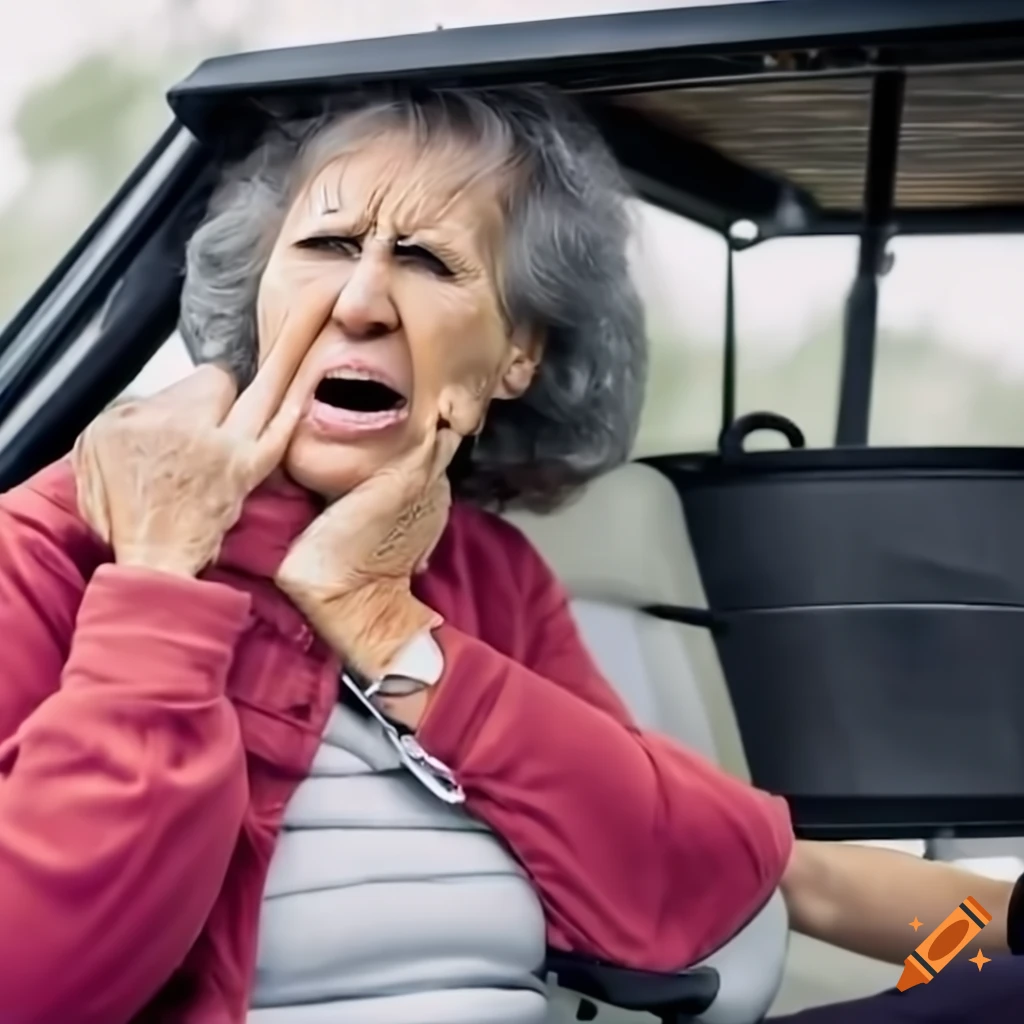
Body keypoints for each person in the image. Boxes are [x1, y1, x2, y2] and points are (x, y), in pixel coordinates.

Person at [0, 84, 1020, 1024]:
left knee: (994, 982)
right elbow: (36, 981)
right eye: (325, 245)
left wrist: (388, 626)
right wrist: (162, 581)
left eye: (428, 260)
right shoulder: (58, 545)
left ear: (515, 355)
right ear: (259, 303)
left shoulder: (489, 576)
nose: (360, 302)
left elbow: (666, 891)